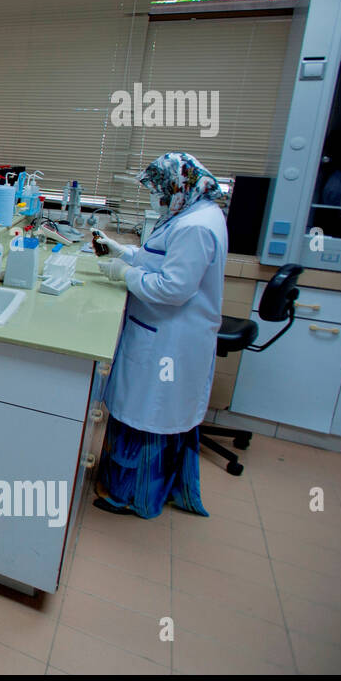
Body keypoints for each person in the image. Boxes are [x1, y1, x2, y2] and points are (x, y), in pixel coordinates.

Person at [90, 152, 228, 518]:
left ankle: (134, 495)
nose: (157, 199)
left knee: (148, 414)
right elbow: (160, 257)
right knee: (146, 410)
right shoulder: (191, 212)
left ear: (178, 185)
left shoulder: (197, 226)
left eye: (160, 192)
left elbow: (173, 289)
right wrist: (127, 253)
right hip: (160, 331)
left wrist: (124, 274)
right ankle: (135, 486)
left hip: (170, 339)